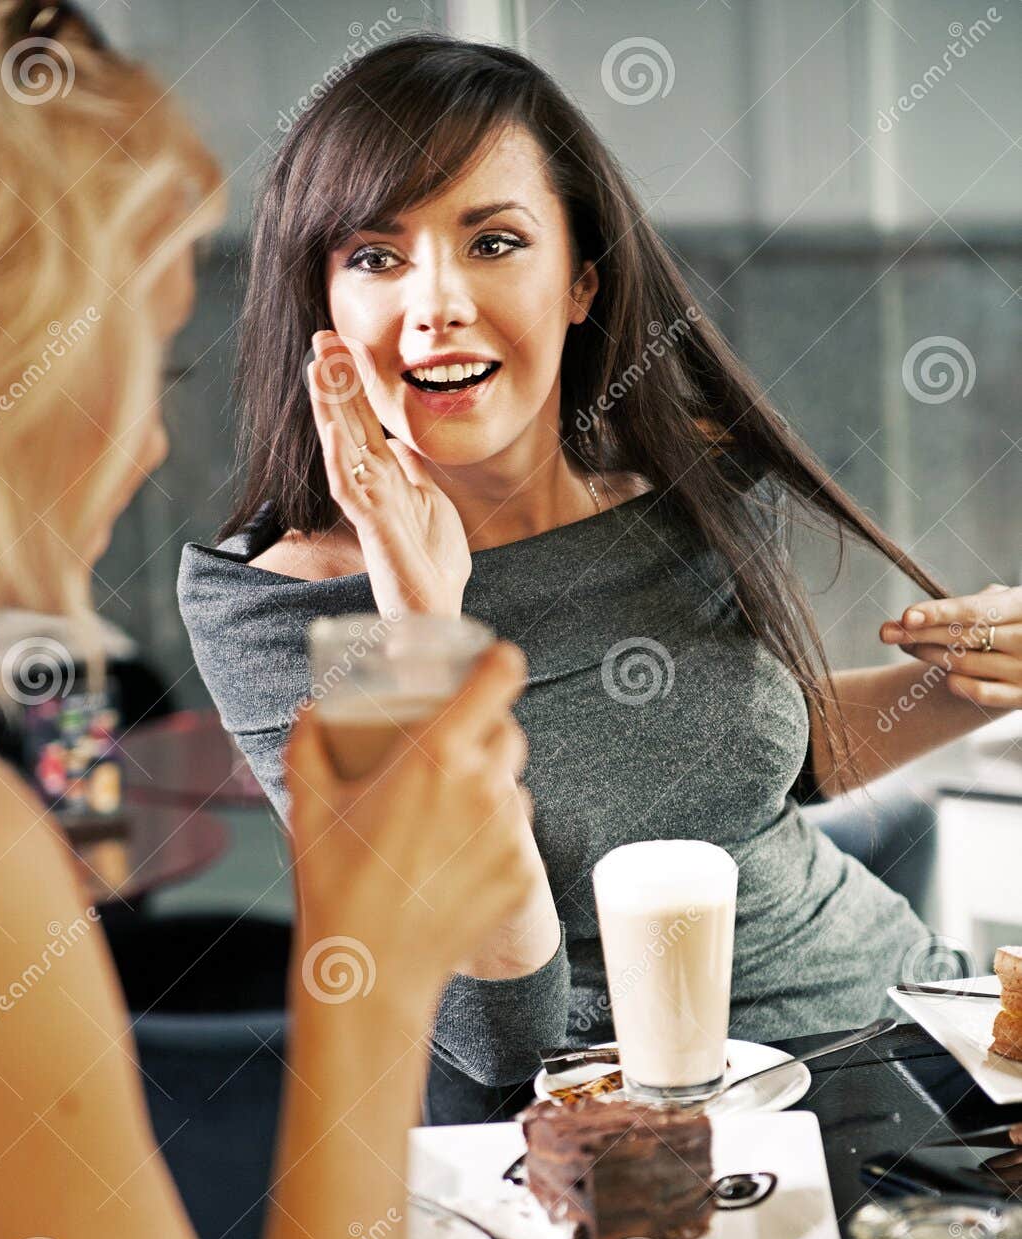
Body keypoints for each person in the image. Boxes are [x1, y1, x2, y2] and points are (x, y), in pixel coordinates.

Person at [0, 2, 705, 1239]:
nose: (154, 425)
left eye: (488, 240)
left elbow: (120, 830)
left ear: (582, 287)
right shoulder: (50, 756)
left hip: (139, 1001)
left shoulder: (71, 693)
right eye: (140, 350)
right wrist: (358, 953)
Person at [179, 34, 1022, 1128]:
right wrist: (420, 621)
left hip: (913, 1023)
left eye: (491, 240)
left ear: (580, 280)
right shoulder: (277, 609)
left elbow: (756, 755)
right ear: (322, 303)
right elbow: (498, 1032)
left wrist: (966, 686)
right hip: (635, 1133)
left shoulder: (681, 480)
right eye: (375, 256)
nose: (434, 302)